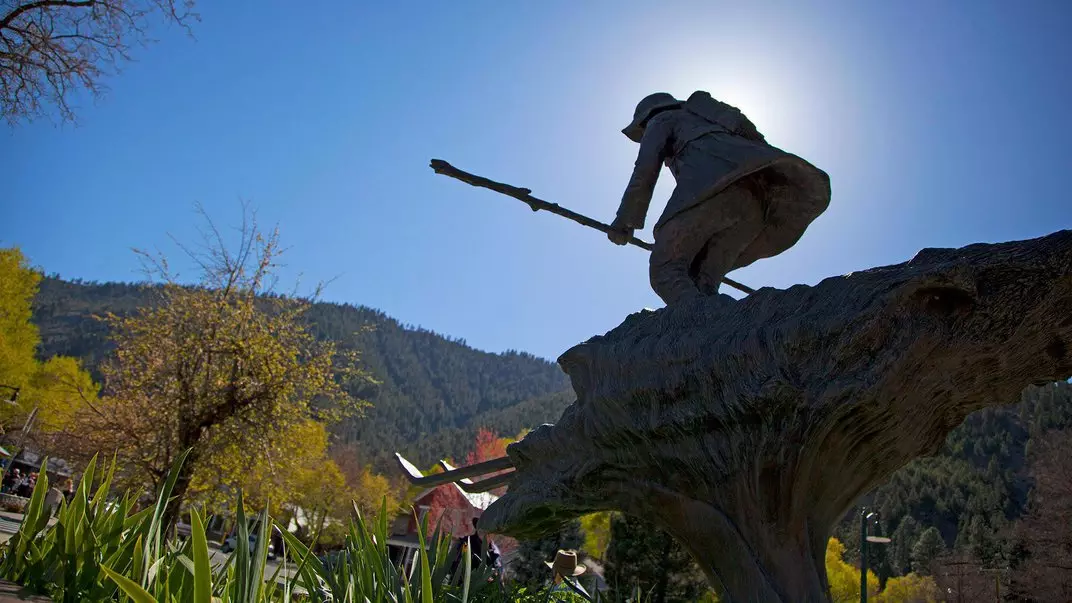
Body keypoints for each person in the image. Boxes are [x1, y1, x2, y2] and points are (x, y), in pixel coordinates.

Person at [609, 91, 831, 305]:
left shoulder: (661, 120)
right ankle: (717, 326)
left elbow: (645, 170)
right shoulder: (714, 124)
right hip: (755, 204)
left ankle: (699, 323)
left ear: (647, 118)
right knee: (702, 281)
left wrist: (624, 221)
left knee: (666, 269)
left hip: (712, 191)